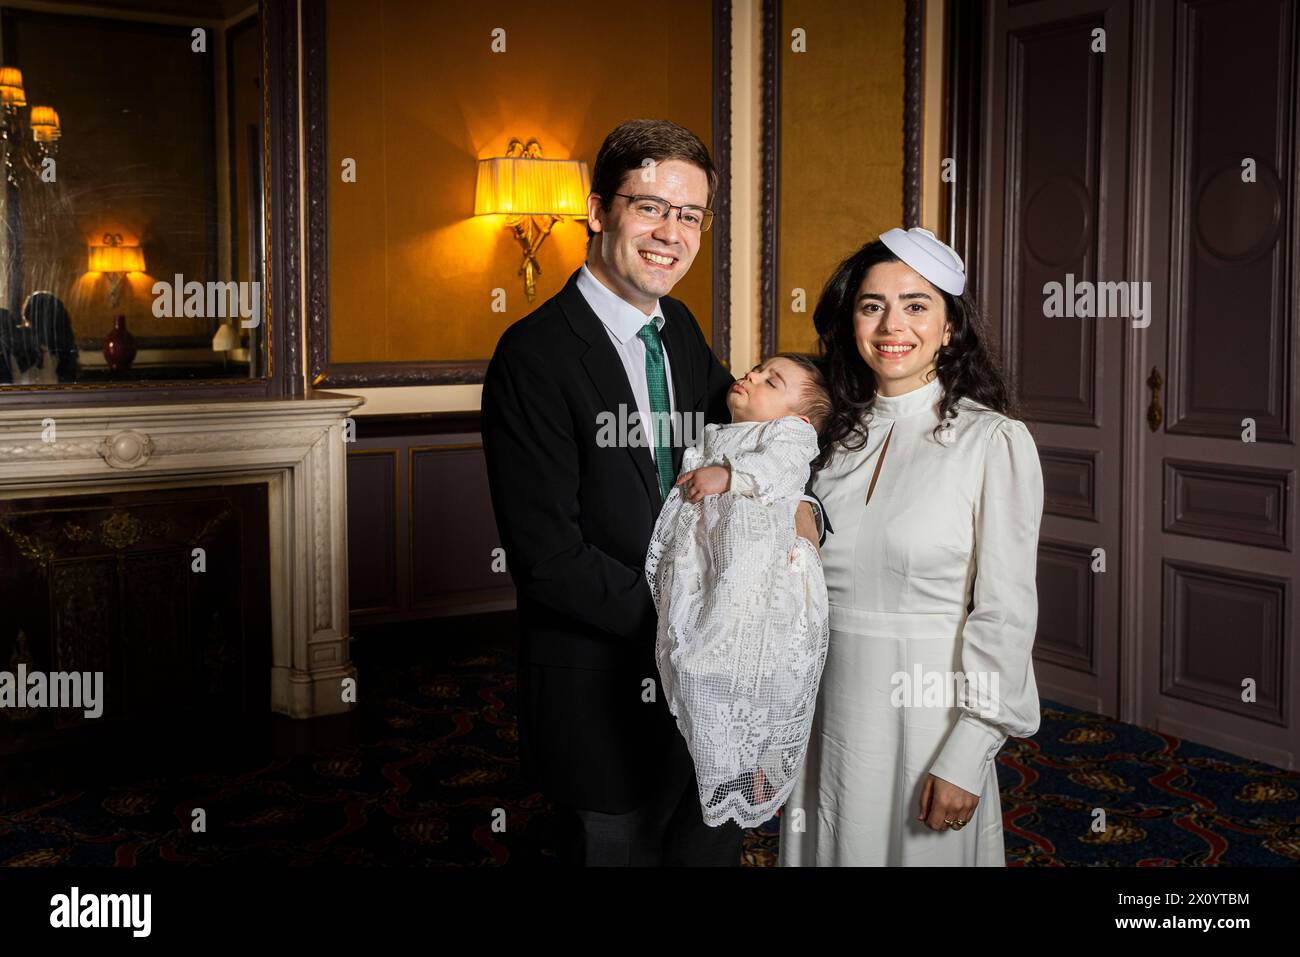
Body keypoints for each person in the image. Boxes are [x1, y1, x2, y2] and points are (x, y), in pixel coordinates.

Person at [482, 119, 825, 866]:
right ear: (599, 210)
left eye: (690, 213)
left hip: (701, 711)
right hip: (600, 702)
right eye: (650, 206)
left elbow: (761, 439)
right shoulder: (533, 356)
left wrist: (804, 507)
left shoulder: (679, 331)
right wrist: (701, 628)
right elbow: (550, 557)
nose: (672, 232)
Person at [778, 227, 1044, 866]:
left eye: (916, 305)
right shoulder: (822, 439)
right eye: (873, 305)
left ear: (950, 328)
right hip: (827, 709)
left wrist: (971, 748)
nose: (892, 324)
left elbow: (1005, 612)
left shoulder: (994, 443)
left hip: (930, 716)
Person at [646, 354, 832, 829]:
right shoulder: (721, 431)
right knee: (696, 656)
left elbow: (786, 468)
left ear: (798, 418)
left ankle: (750, 768)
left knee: (747, 660)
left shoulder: (788, 434)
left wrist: (730, 477)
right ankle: (723, 764)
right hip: (717, 563)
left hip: (757, 568)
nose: (750, 377)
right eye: (756, 370)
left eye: (772, 381)